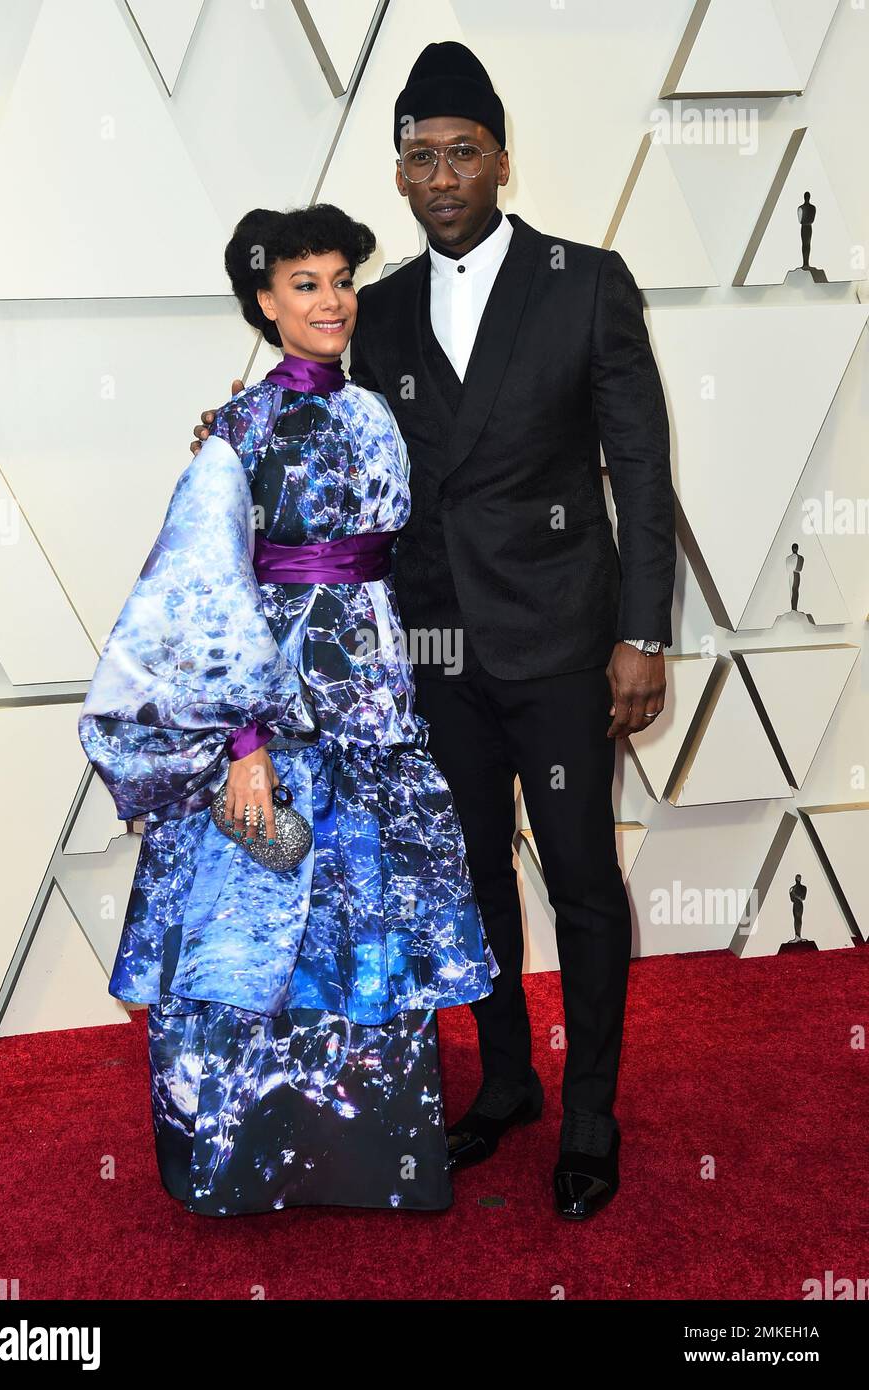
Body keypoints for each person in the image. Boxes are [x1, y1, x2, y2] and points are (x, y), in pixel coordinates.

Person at [194, 45, 676, 1221]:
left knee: (579, 881)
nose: (443, 173)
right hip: (431, 658)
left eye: (463, 152)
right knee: (464, 880)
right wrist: (228, 430)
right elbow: (334, 428)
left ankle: (592, 1115)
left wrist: (642, 634)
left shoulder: (586, 282)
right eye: (420, 156)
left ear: (501, 161)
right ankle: (506, 1079)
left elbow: (640, 468)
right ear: (399, 176)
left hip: (561, 642)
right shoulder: (381, 307)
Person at [78, 202, 497, 1217]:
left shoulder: (370, 414)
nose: (331, 301)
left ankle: (362, 1154)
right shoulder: (235, 432)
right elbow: (203, 595)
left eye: (341, 280)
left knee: (358, 924)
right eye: (303, 284)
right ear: (262, 302)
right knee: (246, 932)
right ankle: (234, 1155)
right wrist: (243, 742)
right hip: (273, 719)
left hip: (368, 709)